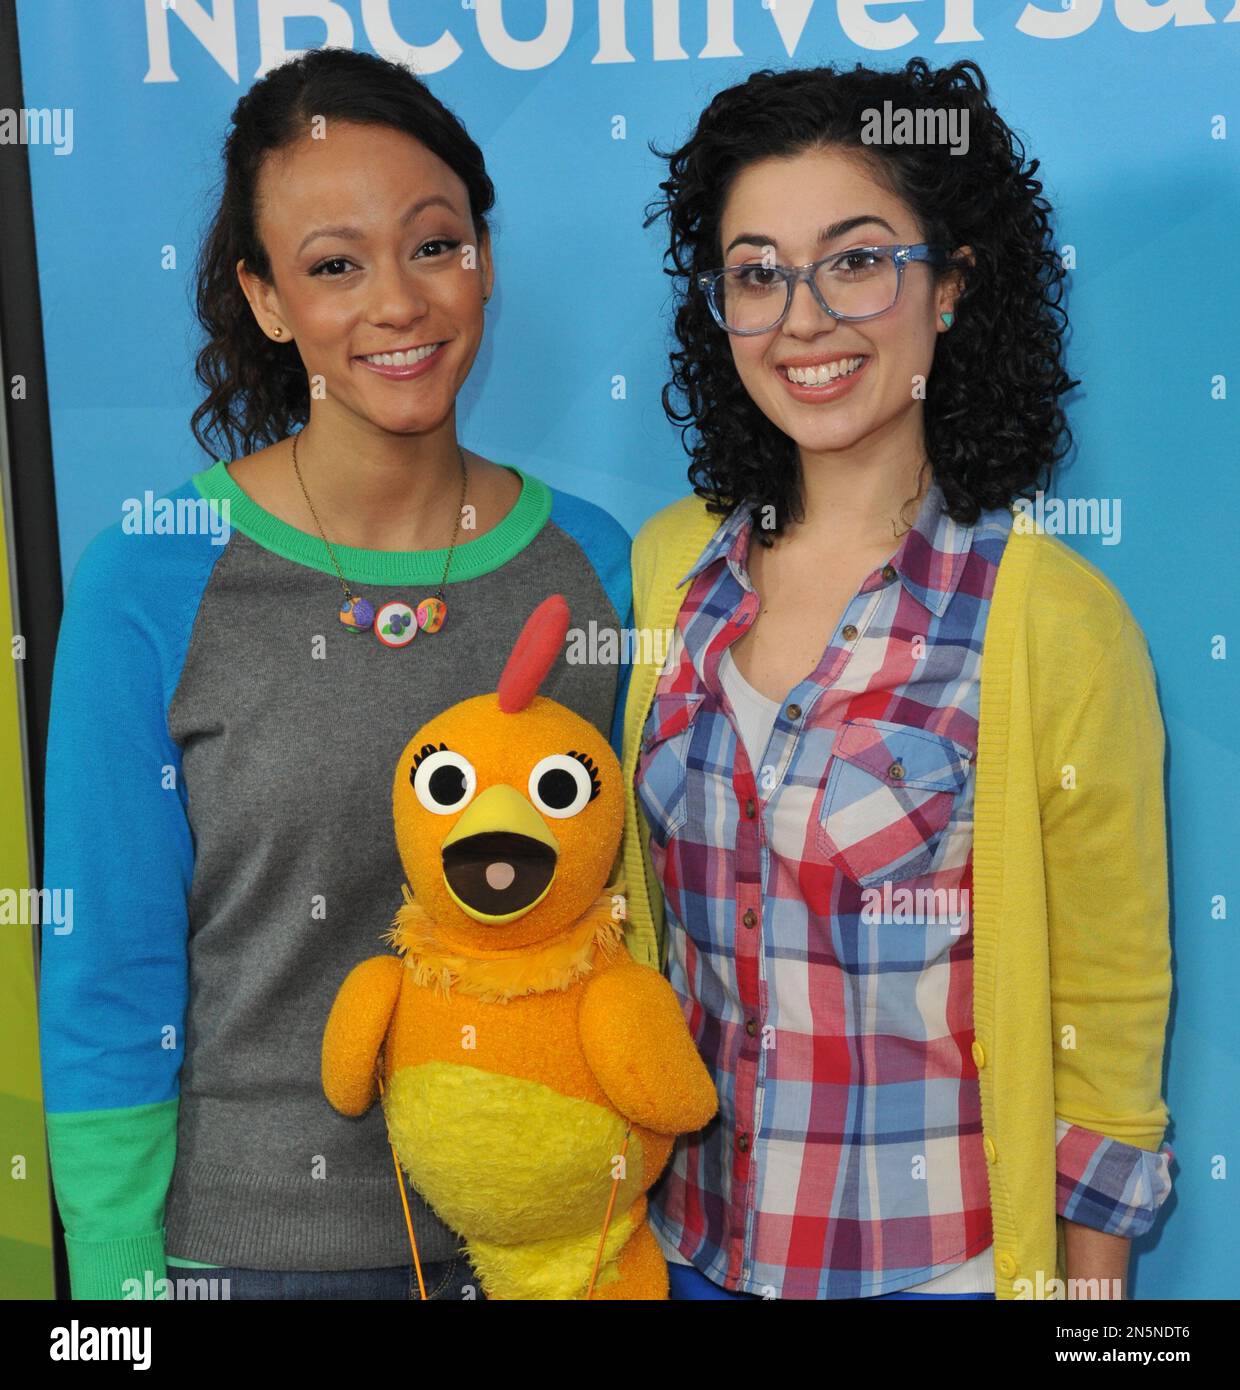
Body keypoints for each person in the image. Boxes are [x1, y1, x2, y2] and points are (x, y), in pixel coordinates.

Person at [38, 47, 631, 1301]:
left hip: (557, 1246)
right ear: (264, 299)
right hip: (253, 1257)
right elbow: (107, 975)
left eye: (434, 244)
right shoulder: (152, 575)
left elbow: (637, 927)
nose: (398, 304)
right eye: (332, 265)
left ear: (483, 256)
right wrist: (118, 1302)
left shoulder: (603, 567)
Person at [619, 58, 1173, 1301]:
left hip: (940, 1274)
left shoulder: (1052, 623)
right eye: (756, 274)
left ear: (954, 285)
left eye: (856, 260)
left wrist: (1089, 1309)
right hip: (682, 1258)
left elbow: (1106, 1013)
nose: (801, 318)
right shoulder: (669, 572)